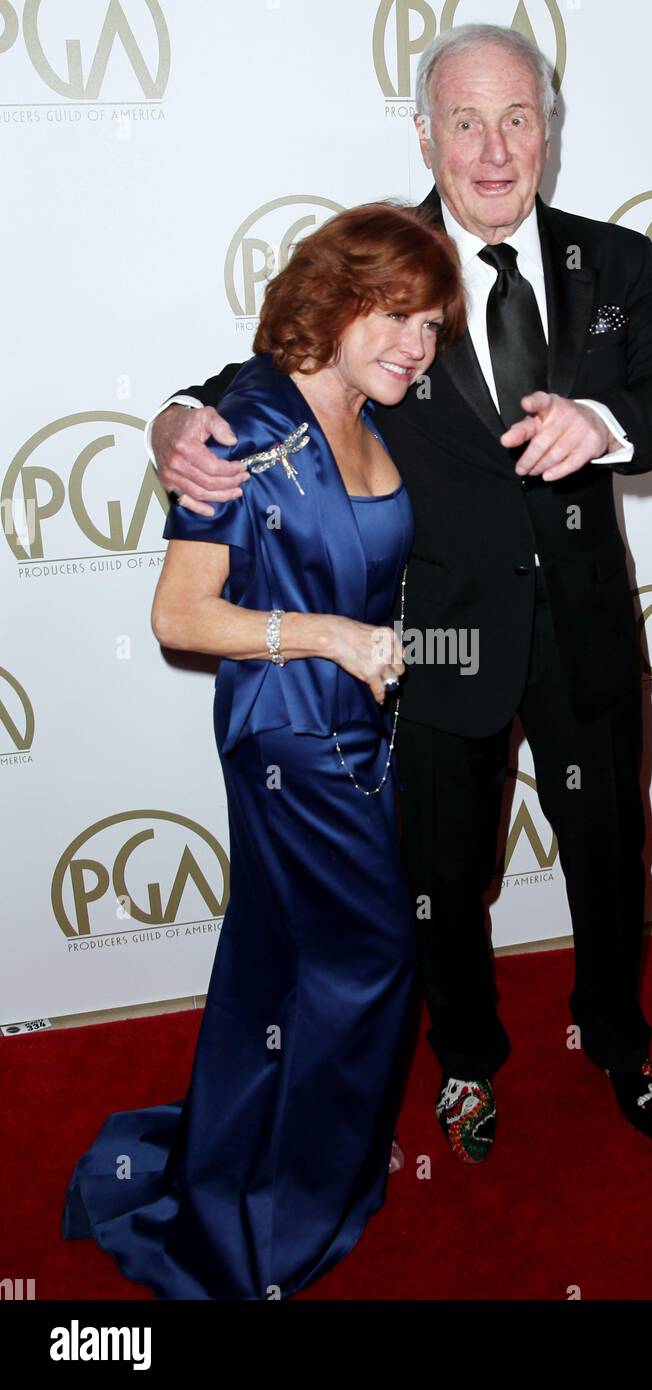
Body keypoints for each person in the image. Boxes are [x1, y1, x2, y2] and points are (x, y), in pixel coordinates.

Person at [151, 25, 652, 1165]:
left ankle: (617, 1036)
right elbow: (260, 372)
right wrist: (171, 420)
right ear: (424, 135)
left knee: (608, 856)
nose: (494, 152)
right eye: (465, 122)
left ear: (549, 130)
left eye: (518, 120)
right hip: (438, 639)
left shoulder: (614, 260)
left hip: (586, 626)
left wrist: (600, 423)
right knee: (444, 880)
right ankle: (466, 1062)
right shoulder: (390, 268)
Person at [60, 202, 467, 1299]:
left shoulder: (372, 414)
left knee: (277, 960)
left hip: (353, 736)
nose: (414, 346)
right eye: (394, 315)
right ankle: (284, 1215)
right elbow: (180, 616)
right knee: (371, 960)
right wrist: (326, 634)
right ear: (334, 299)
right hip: (289, 735)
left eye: (430, 324)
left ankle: (239, 1165)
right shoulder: (247, 424)